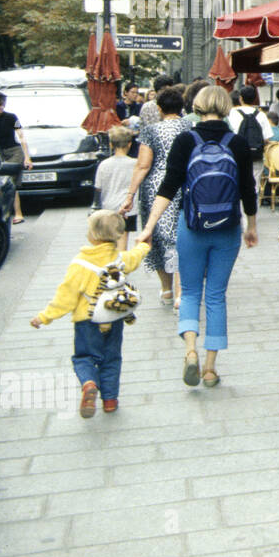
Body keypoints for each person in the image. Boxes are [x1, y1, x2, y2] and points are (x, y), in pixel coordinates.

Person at [138, 85, 260, 389]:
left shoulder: (185, 140)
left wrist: (149, 226)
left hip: (191, 226)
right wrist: (252, 226)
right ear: (225, 107)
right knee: (216, 295)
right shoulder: (238, 143)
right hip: (228, 228)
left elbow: (168, 186)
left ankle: (189, 350)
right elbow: (248, 189)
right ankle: (208, 369)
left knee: (190, 292)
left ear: (198, 105)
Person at [31, 210, 149, 416]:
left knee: (84, 357)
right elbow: (135, 257)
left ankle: (88, 383)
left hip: (87, 321)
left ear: (93, 235)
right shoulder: (120, 259)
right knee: (112, 359)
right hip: (114, 319)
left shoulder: (80, 264)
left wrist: (44, 316)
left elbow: (65, 297)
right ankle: (110, 400)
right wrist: (144, 245)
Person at [121, 87, 190, 308]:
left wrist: (130, 194)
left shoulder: (151, 131)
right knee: (181, 236)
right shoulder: (191, 127)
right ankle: (181, 291)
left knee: (159, 238)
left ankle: (167, 289)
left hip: (157, 187)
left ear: (159, 108)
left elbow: (143, 165)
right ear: (181, 107)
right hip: (185, 184)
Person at [0, 91, 30, 224]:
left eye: (2, 105)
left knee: (11, 183)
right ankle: (5, 213)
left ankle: (18, 214)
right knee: (0, 183)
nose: (1, 107)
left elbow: (21, 135)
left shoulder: (12, 117)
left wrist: (27, 157)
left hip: (14, 152)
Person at [92, 125, 138, 250]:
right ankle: (121, 267)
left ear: (111, 144)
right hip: (129, 209)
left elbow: (98, 188)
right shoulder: (135, 164)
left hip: (108, 208)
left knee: (108, 243)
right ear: (129, 144)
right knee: (123, 242)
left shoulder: (103, 165)